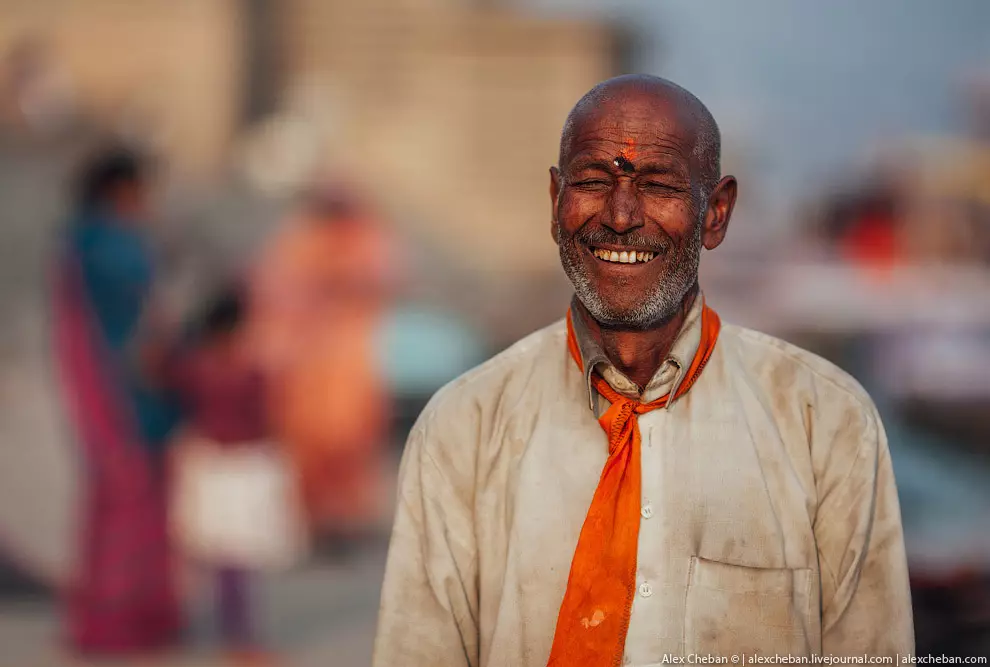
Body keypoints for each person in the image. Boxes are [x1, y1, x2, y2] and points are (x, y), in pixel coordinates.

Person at [372, 75, 914, 665]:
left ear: (717, 213)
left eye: (658, 186)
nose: (622, 215)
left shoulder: (824, 423)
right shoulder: (463, 428)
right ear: (556, 203)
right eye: (592, 182)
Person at [50, 146, 181, 654]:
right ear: (121, 190)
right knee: (129, 507)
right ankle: (120, 623)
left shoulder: (79, 241)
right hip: (125, 398)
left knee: (114, 509)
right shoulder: (113, 243)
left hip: (111, 395)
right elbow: (145, 324)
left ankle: (117, 619)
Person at [247, 184, 398, 546]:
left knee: (350, 441)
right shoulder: (299, 241)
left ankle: (344, 520)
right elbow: (274, 293)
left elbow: (382, 280)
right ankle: (311, 521)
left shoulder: (365, 240)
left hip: (348, 366)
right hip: (308, 365)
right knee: (307, 444)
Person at [165, 287, 279, 665]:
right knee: (236, 562)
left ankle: (214, 630)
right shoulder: (248, 370)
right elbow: (265, 416)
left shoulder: (195, 367)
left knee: (212, 561)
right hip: (237, 469)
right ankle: (238, 638)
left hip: (206, 464)